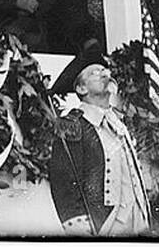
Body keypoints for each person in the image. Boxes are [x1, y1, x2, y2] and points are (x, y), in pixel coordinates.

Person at [48, 53, 151, 237]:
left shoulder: (119, 123)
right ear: (81, 88)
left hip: (139, 228)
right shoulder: (72, 125)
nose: (103, 73)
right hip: (107, 231)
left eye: (104, 69)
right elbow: (65, 189)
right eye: (94, 72)